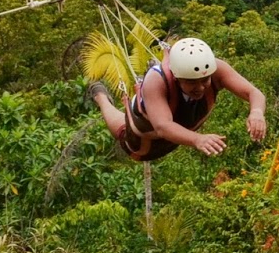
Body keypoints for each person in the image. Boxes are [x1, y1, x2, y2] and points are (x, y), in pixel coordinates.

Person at [88, 37, 268, 162]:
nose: (200, 88)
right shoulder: (157, 81)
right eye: (191, 83)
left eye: (204, 80)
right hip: (145, 140)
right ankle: (101, 96)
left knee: (188, 99)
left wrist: (257, 112)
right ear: (176, 76)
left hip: (180, 131)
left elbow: (253, 92)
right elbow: (163, 127)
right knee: (124, 135)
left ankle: (153, 89)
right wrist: (198, 139)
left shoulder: (217, 69)